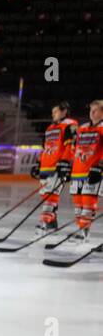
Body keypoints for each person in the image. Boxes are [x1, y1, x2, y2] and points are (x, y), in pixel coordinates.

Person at [32, 103, 76, 232]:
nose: (53, 114)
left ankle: (45, 221)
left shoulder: (69, 124)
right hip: (46, 166)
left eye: (55, 111)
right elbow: (45, 148)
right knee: (45, 194)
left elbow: (70, 146)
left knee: (51, 195)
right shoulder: (50, 128)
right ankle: (51, 221)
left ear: (64, 112)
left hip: (57, 166)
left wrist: (65, 162)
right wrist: (38, 163)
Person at [67, 98, 103, 242]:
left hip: (93, 171)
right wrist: (69, 166)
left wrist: (100, 165)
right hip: (78, 171)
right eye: (90, 110)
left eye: (95, 110)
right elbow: (75, 148)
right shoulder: (82, 128)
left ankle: (84, 231)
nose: (92, 113)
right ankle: (80, 229)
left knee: (88, 202)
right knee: (78, 203)